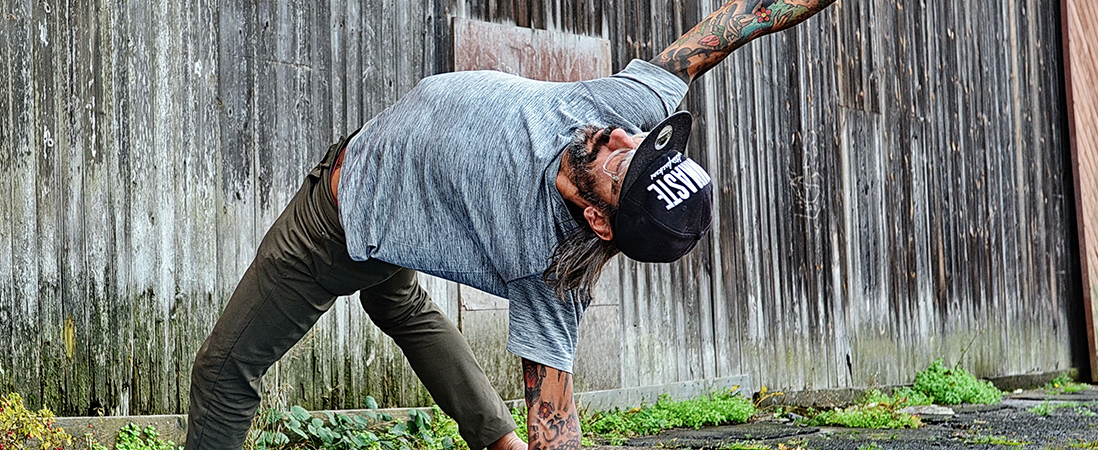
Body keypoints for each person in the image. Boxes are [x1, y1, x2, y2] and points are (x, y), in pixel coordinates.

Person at [187, 0, 837, 449]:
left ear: (598, 221)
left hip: (339, 215)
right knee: (400, 301)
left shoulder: (547, 269)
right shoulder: (620, 110)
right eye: (635, 143)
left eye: (620, 165)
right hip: (403, 214)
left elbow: (559, 417)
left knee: (222, 372)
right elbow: (736, 24)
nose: (614, 136)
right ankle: (496, 438)